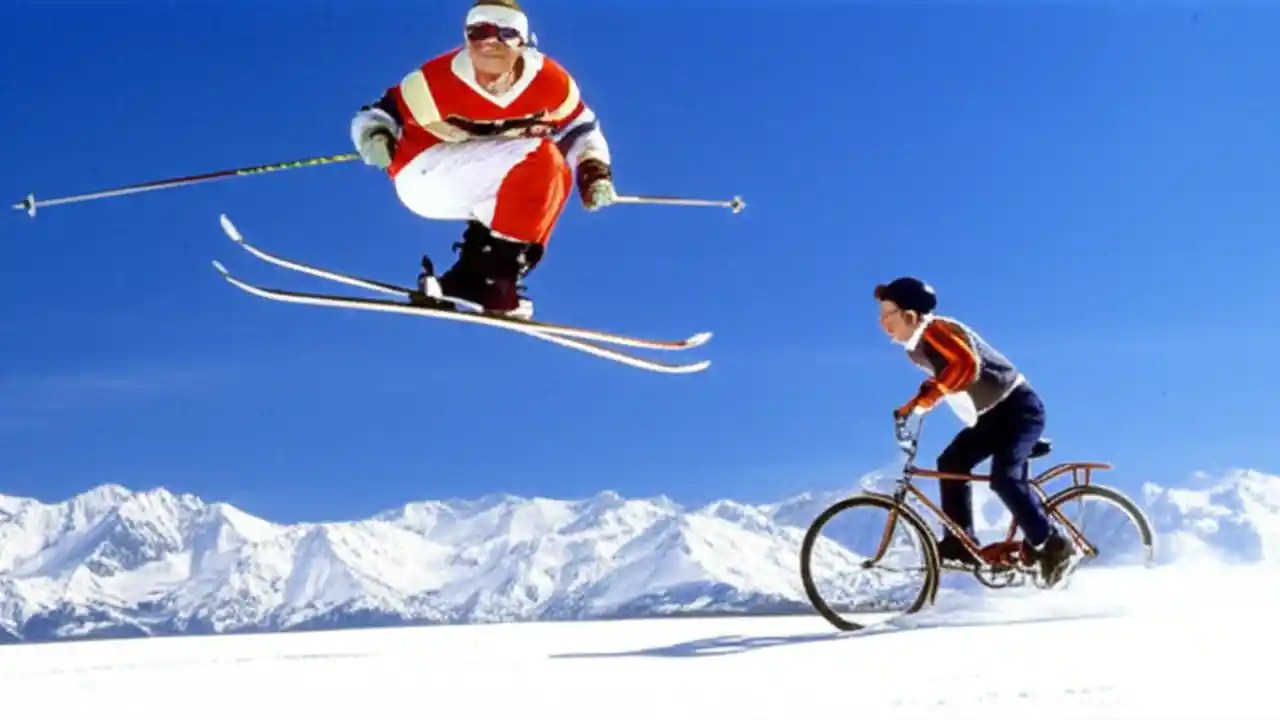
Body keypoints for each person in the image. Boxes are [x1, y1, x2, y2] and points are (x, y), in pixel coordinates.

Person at [349, 0, 617, 319]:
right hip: (425, 172)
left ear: (524, 42)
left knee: (553, 175)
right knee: (540, 157)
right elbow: (379, 112)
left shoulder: (551, 84)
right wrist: (375, 135)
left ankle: (478, 281)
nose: (491, 42)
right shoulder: (436, 80)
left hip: (483, 183)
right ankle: (488, 281)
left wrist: (594, 172)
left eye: (505, 33)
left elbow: (581, 130)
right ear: (466, 39)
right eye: (480, 32)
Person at [874, 276, 1076, 586]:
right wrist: (911, 408)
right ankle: (959, 545)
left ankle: (1053, 544)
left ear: (910, 316)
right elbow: (943, 382)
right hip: (992, 416)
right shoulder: (915, 349)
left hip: (1018, 410)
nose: (882, 321)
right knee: (951, 462)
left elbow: (965, 366)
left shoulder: (936, 330)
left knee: (1004, 478)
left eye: (888, 313)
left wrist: (924, 402)